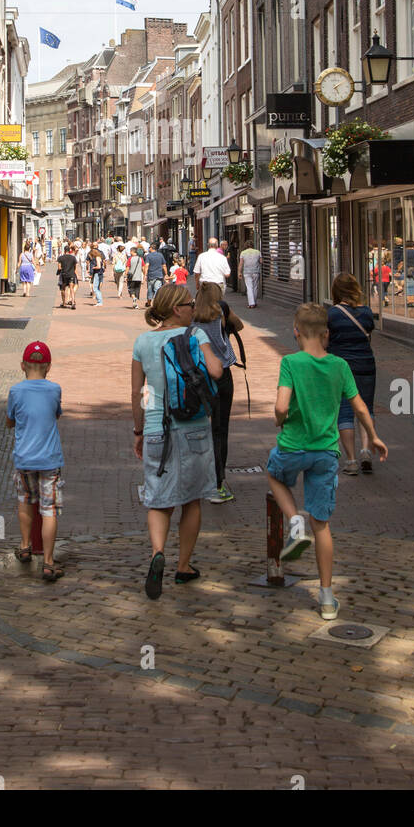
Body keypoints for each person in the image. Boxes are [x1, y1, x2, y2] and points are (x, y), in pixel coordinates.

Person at [268, 303, 387, 620]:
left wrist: (280, 418)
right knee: (323, 525)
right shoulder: (339, 366)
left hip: (293, 445)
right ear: (327, 334)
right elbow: (360, 408)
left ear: (296, 332)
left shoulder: (291, 363)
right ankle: (326, 598)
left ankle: (294, 522)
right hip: (325, 452)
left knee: (275, 476)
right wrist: (373, 436)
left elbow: (281, 405)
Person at [131, 284, 224, 598]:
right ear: (175, 309)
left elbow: (136, 394)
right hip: (194, 427)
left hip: (158, 429)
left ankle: (158, 552)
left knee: (159, 499)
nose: (193, 309)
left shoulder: (142, 342)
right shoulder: (195, 336)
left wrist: (139, 431)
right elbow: (216, 371)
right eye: (188, 304)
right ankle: (183, 567)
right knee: (192, 499)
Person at [7, 340, 65, 582]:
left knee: (25, 503)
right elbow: (56, 414)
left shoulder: (15, 391)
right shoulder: (54, 390)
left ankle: (24, 545)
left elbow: (10, 421)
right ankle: (49, 562)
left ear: (22, 365)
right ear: (48, 367)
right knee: (49, 510)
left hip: (24, 458)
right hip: (49, 459)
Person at [193, 282, 243, 503]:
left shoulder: (192, 314)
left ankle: (198, 477)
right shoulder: (222, 309)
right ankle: (218, 482)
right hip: (222, 374)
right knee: (220, 428)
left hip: (199, 375)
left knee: (198, 426)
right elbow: (239, 326)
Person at [326, 273, 377, 476]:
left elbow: (326, 340)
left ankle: (352, 460)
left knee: (345, 412)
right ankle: (365, 450)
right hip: (366, 365)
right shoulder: (366, 313)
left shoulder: (332, 314)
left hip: (342, 368)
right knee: (366, 408)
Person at [143, 240, 168, 305]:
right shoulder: (160, 255)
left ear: (151, 248)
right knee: (157, 289)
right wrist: (166, 274)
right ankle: (156, 302)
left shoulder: (148, 256)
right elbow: (164, 265)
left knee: (150, 289)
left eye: (149, 248)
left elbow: (146, 266)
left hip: (151, 275)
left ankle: (149, 302)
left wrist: (145, 275)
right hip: (159, 275)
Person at [238, 241, 262, 308]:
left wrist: (239, 272)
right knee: (255, 287)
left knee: (249, 288)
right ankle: (254, 302)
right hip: (256, 272)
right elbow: (261, 261)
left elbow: (241, 264)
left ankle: (251, 303)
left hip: (247, 272)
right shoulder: (258, 252)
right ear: (252, 245)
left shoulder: (243, 253)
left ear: (245, 246)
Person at [56, 244, 77, 309]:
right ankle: (73, 303)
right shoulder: (73, 258)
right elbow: (75, 267)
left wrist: (58, 272)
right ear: (69, 250)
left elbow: (59, 268)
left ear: (64, 251)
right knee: (71, 289)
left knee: (63, 289)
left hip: (64, 275)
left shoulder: (60, 258)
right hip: (71, 274)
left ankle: (64, 303)